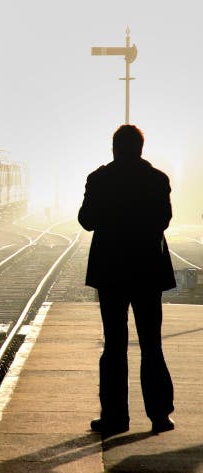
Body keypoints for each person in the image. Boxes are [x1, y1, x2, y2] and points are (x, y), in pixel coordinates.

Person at [78, 124, 175, 437]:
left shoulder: (100, 179)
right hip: (148, 271)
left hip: (112, 272)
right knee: (151, 344)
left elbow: (87, 221)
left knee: (115, 345)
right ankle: (160, 415)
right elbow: (163, 220)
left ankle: (115, 417)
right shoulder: (157, 180)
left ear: (114, 148)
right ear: (141, 149)